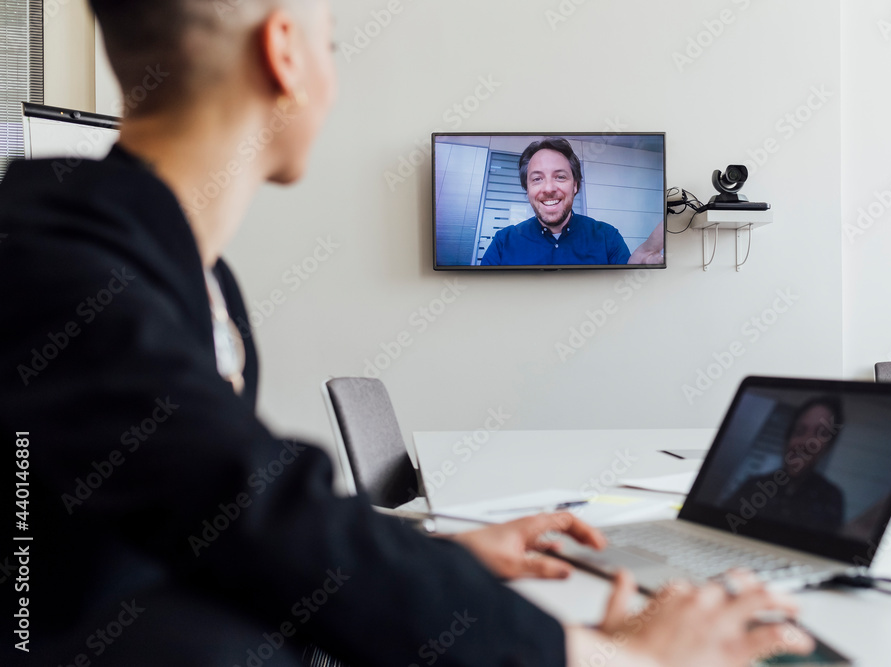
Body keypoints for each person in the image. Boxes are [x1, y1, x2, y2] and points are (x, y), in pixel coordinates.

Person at [0, 1, 812, 665]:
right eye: (334, 43)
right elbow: (248, 504)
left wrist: (443, 558)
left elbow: (224, 531)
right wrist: (615, 658)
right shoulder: (51, 268)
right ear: (284, 50)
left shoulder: (192, 275)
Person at [480, 137, 634, 266]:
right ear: (527, 189)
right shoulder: (502, 243)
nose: (548, 188)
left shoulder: (608, 239)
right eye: (537, 179)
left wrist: (635, 279)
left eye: (560, 177)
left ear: (575, 185)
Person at [724, 398, 846, 532]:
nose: (806, 442)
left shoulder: (831, 498)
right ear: (788, 439)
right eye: (799, 431)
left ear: (827, 447)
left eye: (820, 434)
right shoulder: (753, 486)